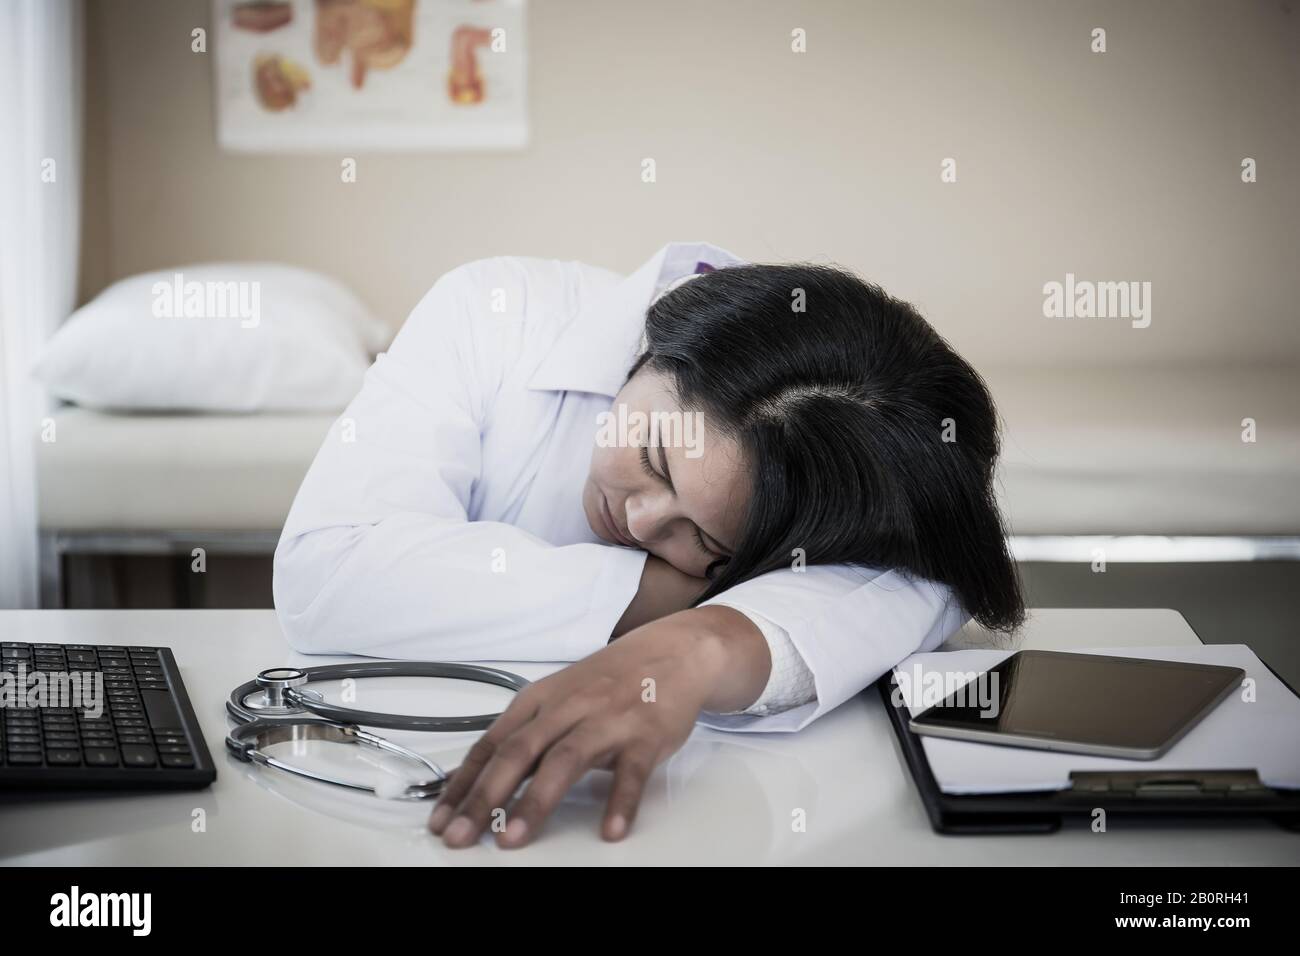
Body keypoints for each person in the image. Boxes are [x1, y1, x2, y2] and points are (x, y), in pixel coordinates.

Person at [273, 241, 1024, 849]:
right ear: (657, 347)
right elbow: (326, 569)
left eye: (704, 541)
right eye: (658, 457)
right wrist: (663, 596)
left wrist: (699, 647)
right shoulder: (492, 310)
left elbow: (928, 577)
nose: (640, 522)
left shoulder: (835, 465)